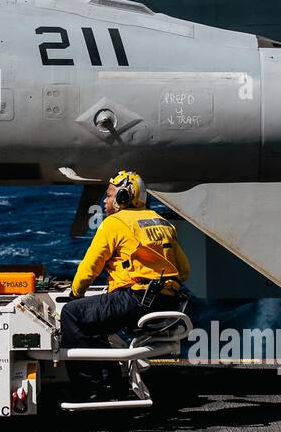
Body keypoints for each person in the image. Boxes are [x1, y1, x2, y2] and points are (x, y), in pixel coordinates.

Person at [60, 170, 190, 402]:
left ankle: (89, 391)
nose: (104, 200)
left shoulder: (115, 223)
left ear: (122, 198)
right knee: (96, 323)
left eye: (109, 195)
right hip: (168, 302)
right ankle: (111, 386)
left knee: (73, 314)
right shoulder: (162, 223)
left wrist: (75, 294)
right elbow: (185, 271)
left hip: (136, 301)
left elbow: (90, 267)